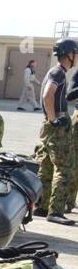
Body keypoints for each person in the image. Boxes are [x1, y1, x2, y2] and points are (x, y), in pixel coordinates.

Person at [33, 39, 77, 222]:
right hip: (57, 126)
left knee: (47, 167)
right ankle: (56, 212)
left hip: (51, 126)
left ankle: (42, 207)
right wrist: (54, 119)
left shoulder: (57, 72)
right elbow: (47, 95)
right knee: (65, 168)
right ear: (69, 54)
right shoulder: (58, 73)